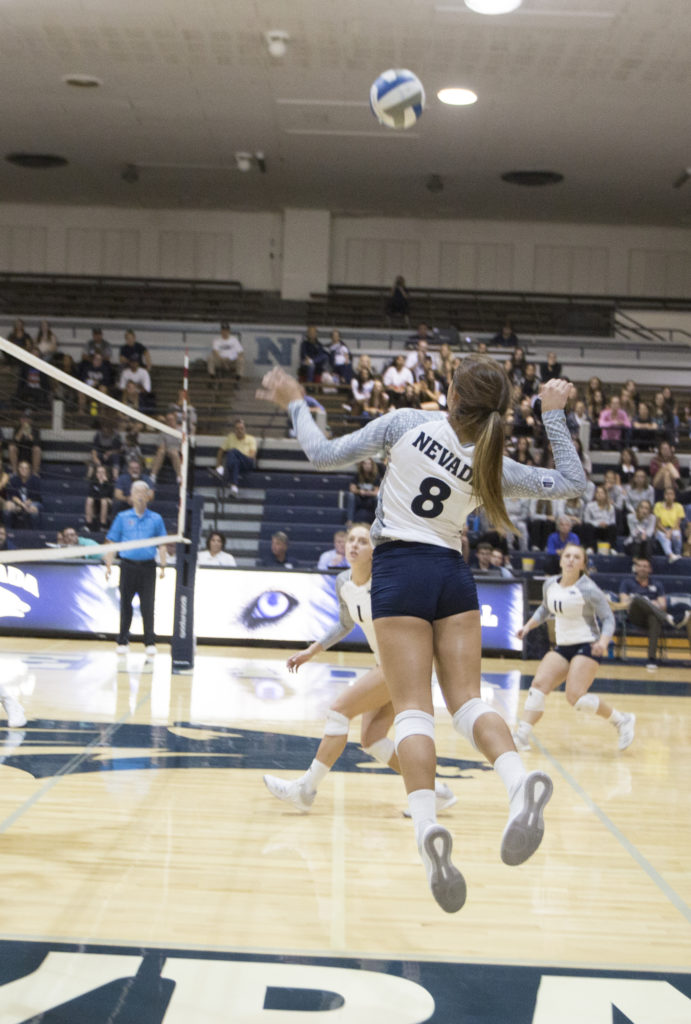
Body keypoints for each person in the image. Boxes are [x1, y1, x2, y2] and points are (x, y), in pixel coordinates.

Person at [257, 359, 586, 913]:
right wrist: (554, 417)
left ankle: (427, 826)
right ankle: (517, 781)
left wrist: (295, 400)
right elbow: (573, 484)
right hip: (453, 574)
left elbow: (321, 453)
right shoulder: (491, 461)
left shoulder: (406, 422)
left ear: (451, 393)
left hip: (399, 571)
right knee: (466, 704)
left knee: (411, 710)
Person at [264, 523, 456, 814]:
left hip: (404, 664)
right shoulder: (343, 582)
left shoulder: (388, 581)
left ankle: (304, 790)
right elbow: (345, 623)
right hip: (386, 663)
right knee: (373, 739)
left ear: (373, 551)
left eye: (362, 541)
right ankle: (433, 793)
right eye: (351, 539)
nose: (354, 545)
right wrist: (312, 651)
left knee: (339, 711)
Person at [513, 544, 634, 752]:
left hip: (588, 644)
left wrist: (603, 642)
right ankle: (522, 736)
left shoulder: (588, 589)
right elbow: (545, 609)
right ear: (560, 561)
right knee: (539, 685)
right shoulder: (550, 584)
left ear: (583, 564)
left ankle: (622, 720)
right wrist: (527, 627)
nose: (570, 560)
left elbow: (608, 619)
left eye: (576, 557)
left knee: (575, 697)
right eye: (567, 556)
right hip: (563, 646)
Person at [105, 480, 167, 657]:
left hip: (148, 567)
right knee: (126, 604)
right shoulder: (122, 517)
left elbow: (162, 544)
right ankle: (123, 640)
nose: (140, 495)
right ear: (131, 496)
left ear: (148, 496)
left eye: (143, 492)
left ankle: (149, 642)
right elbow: (112, 542)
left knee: (148, 605)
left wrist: (163, 565)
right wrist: (108, 564)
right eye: (136, 492)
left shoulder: (156, 518)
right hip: (128, 566)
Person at [613, 557, 681, 671]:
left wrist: (648, 603)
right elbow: (624, 603)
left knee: (654, 618)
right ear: (635, 568)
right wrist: (649, 601)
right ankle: (669, 618)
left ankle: (651, 658)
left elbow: (663, 605)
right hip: (634, 616)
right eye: (640, 566)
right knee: (637, 599)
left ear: (650, 569)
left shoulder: (657, 584)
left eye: (645, 566)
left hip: (652, 616)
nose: (643, 569)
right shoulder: (627, 583)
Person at [213, 418, 257, 497]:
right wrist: (218, 465)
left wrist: (238, 455)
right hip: (236, 464)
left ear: (245, 429)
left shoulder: (251, 439)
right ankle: (234, 487)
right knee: (236, 462)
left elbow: (252, 455)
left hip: (247, 462)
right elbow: (220, 451)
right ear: (234, 430)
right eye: (237, 429)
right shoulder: (230, 437)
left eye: (241, 428)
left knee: (233, 451)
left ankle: (222, 471)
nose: (239, 430)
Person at [3, 460, 42, 528]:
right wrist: (21, 504)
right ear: (18, 469)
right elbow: (12, 495)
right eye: (21, 468)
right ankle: (7, 530)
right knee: (7, 506)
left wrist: (27, 504)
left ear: (29, 470)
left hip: (32, 502)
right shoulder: (13, 479)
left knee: (33, 509)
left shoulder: (35, 480)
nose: (23, 470)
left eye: (26, 468)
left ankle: (35, 532)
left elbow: (36, 496)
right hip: (18, 502)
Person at [150, 408, 182, 484]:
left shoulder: (181, 430)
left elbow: (183, 446)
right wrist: (164, 450)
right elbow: (161, 446)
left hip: (177, 451)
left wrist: (177, 450)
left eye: (171, 420)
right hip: (167, 451)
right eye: (168, 420)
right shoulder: (163, 431)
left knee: (174, 452)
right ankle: (153, 476)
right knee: (160, 451)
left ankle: (179, 477)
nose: (170, 422)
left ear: (175, 420)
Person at [653, 485, 685, 561]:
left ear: (674, 496)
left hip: (674, 528)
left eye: (671, 494)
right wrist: (666, 532)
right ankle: (671, 555)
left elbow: (677, 523)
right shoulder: (658, 505)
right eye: (667, 494)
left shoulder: (679, 506)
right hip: (661, 529)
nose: (669, 496)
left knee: (677, 536)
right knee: (665, 537)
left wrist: (670, 532)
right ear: (664, 496)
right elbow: (658, 523)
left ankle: (677, 554)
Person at [8, 409, 41, 476]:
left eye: (27, 419)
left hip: (30, 453)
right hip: (19, 452)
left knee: (37, 449)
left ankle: (35, 473)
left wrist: (28, 432)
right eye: (23, 418)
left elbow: (36, 443)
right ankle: (14, 472)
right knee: (11, 448)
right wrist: (21, 430)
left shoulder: (35, 429)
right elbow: (14, 442)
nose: (25, 420)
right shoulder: (17, 428)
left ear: (30, 420)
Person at [347, 458, 381, 524]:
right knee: (350, 495)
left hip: (370, 500)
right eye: (365, 464)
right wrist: (359, 491)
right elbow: (352, 489)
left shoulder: (376, 477)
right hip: (359, 499)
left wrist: (368, 493)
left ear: (372, 465)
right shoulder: (357, 475)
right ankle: (349, 520)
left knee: (377, 498)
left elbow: (377, 492)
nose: (367, 466)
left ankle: (378, 521)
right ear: (362, 465)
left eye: (369, 464)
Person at [85, 464, 114, 531]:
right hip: (96, 503)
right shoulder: (93, 483)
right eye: (98, 472)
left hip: (108, 504)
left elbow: (107, 495)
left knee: (103, 501)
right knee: (89, 500)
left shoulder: (109, 483)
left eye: (102, 472)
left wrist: (104, 484)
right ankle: (88, 525)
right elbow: (91, 494)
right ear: (96, 474)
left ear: (106, 474)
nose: (100, 474)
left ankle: (102, 525)